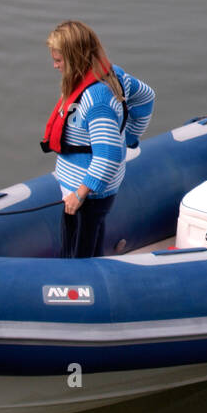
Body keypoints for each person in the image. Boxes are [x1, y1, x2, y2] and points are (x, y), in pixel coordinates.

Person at [42, 20, 154, 258]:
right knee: (91, 239)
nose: (55, 65)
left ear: (75, 59)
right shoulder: (116, 75)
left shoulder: (96, 101)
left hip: (87, 194)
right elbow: (146, 96)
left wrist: (81, 193)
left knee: (78, 256)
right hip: (85, 189)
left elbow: (109, 156)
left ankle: (82, 287)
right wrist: (130, 137)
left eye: (59, 60)